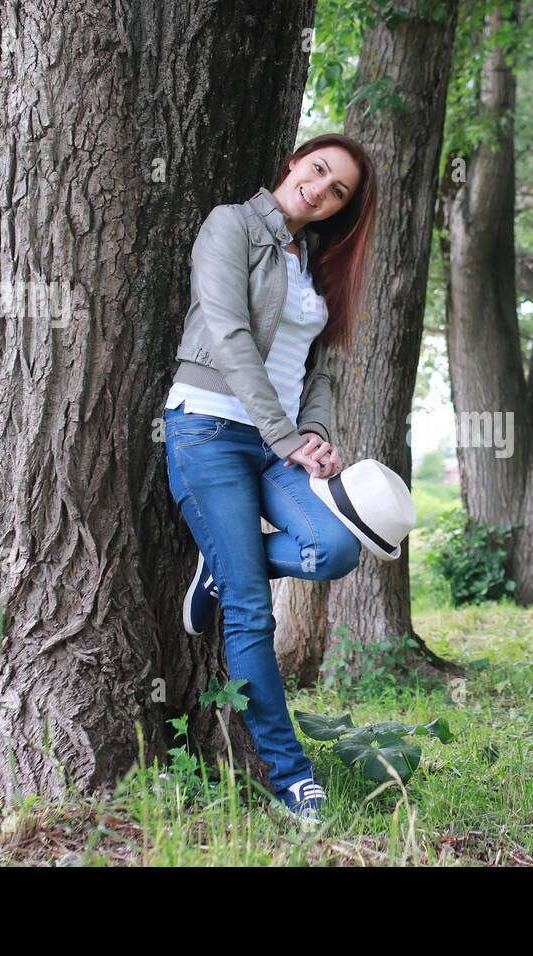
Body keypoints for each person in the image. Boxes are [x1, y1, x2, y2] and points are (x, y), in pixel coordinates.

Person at [163, 134, 378, 826]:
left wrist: (310, 433)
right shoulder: (230, 224)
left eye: (337, 189)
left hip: (277, 443)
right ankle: (294, 781)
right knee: (252, 614)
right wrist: (287, 438)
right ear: (293, 163)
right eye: (318, 169)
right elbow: (227, 336)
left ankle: (227, 563)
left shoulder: (316, 263)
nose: (320, 188)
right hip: (209, 429)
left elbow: (323, 371)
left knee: (335, 548)